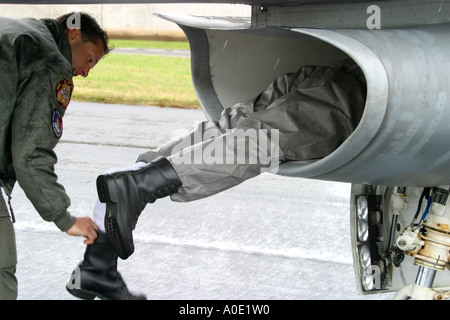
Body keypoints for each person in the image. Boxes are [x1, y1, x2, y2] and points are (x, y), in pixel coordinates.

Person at [66, 60, 366, 299]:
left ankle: (97, 265)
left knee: (231, 130)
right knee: (264, 140)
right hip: (362, 89)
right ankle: (137, 183)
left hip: (332, 72)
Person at [0, 12, 124, 300]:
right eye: (90, 59)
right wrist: (64, 218)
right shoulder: (48, 60)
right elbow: (30, 154)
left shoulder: (14, 28)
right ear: (73, 34)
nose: (85, 72)